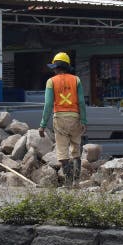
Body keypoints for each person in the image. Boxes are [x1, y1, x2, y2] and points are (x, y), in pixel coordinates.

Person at [38, 52, 87, 187]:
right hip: (75, 117)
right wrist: (83, 121)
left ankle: (68, 183)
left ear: (56, 67)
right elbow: (82, 102)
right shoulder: (76, 80)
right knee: (76, 150)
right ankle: (76, 182)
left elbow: (48, 105)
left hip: (59, 118)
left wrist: (42, 125)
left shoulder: (51, 81)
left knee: (62, 151)